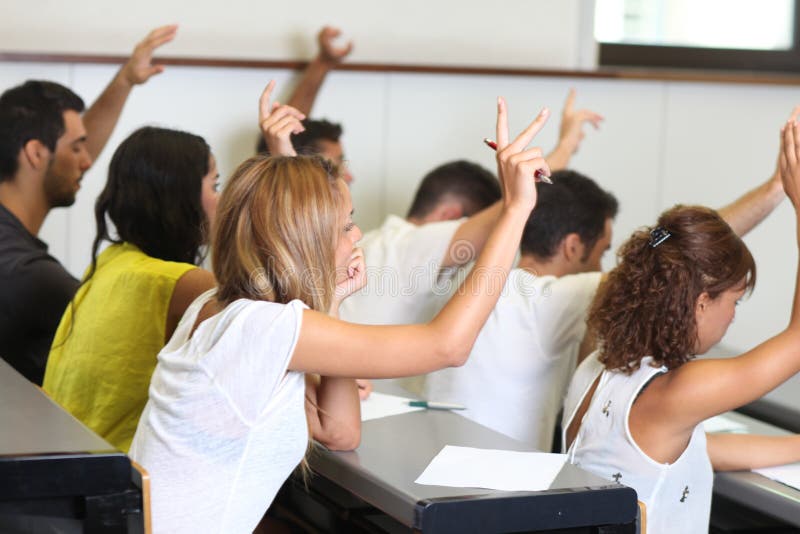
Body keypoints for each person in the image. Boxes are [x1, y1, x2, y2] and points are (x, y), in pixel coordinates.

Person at [129, 97, 550, 533]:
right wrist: (516, 209)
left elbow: (340, 432)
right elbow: (448, 345)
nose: (357, 238)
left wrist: (331, 302)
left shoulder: (221, 306)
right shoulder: (261, 326)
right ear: (308, 240)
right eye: (347, 225)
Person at [560, 117, 800, 533]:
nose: (733, 315)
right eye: (734, 301)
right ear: (701, 302)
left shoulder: (599, 363)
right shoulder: (678, 390)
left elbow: (698, 448)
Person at [0, 25, 177, 383]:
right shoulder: (31, 276)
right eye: (77, 149)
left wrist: (124, 82)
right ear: (35, 153)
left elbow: (66, 153)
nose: (86, 162)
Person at [42, 127, 217, 453]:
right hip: (121, 481)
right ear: (182, 195)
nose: (222, 200)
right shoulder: (185, 285)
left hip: (72, 467)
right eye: (215, 185)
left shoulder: (112, 261)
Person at [424, 170, 618, 450]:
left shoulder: (472, 281)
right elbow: (641, 276)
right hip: (496, 483)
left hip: (427, 460)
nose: (601, 266)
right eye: (602, 252)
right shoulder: (546, 299)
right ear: (572, 247)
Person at [256, 26, 355, 183]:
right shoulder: (282, 197)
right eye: (335, 168)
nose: (350, 178)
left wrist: (323, 63)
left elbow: (296, 126)